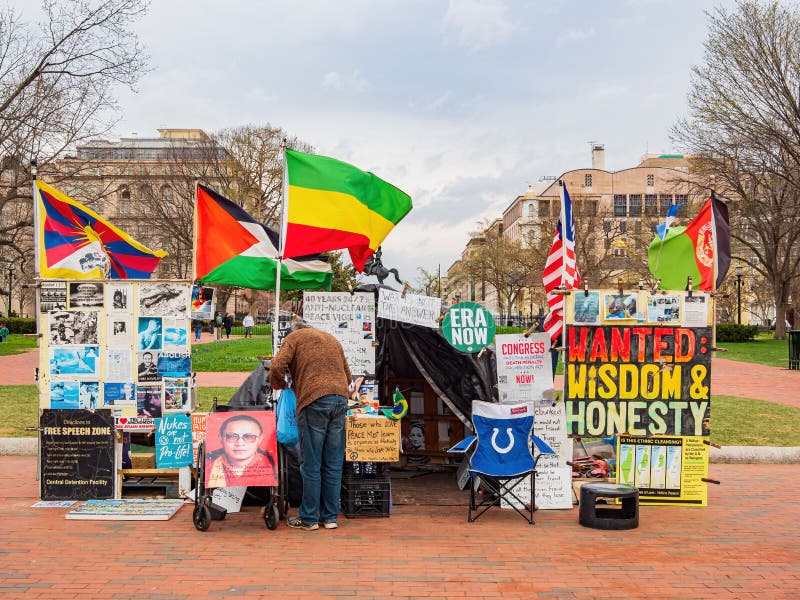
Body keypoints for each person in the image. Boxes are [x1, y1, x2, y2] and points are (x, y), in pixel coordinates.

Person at [269, 320, 352, 531]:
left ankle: (309, 519)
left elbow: (277, 365)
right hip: (340, 399)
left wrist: (281, 384)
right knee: (333, 463)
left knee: (311, 463)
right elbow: (348, 375)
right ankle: (330, 518)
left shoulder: (294, 338)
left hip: (314, 400)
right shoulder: (331, 338)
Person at [206, 414, 277, 487]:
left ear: (260, 439)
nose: (240, 443)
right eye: (232, 436)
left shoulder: (272, 464)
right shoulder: (208, 464)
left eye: (249, 437)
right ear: (220, 438)